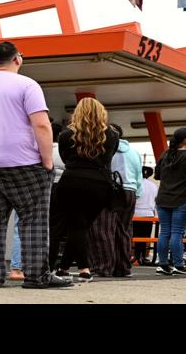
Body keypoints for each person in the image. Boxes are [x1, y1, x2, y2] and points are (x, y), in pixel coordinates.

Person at [0, 41, 67, 288]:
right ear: (18, 59)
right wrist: (47, 160)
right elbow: (41, 124)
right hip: (24, 163)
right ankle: (37, 276)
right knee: (33, 219)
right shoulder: (27, 85)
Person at [48, 98, 120, 283]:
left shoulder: (66, 135)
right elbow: (109, 158)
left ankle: (83, 268)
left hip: (71, 180)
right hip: (100, 184)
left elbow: (64, 158)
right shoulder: (112, 135)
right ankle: (65, 267)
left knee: (77, 226)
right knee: (82, 226)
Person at [86, 124, 140, 277]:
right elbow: (139, 176)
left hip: (111, 191)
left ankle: (103, 267)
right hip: (130, 191)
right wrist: (136, 193)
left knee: (103, 230)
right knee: (124, 230)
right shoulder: (133, 152)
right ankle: (123, 267)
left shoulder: (106, 149)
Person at [154, 127, 186, 276]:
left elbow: (157, 175)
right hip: (182, 199)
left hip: (163, 198)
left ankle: (163, 265)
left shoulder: (166, 154)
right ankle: (178, 265)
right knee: (177, 232)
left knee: (164, 232)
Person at [133, 165, 158, 266]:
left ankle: (134, 256)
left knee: (134, 236)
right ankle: (143, 256)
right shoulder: (153, 186)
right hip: (148, 214)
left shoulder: (136, 184)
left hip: (135, 214)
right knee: (145, 237)